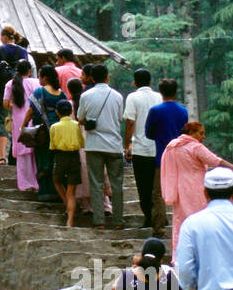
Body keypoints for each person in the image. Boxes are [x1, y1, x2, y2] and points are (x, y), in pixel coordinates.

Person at [160, 122, 233, 254]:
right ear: (192, 133)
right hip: (197, 188)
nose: (203, 137)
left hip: (180, 189)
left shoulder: (173, 146)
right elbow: (217, 161)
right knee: (201, 219)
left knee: (181, 221)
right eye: (201, 133)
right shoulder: (194, 147)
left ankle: (181, 254)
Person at [77, 64, 125, 228]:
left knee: (96, 183)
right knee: (116, 183)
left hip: (93, 144)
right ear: (107, 76)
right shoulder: (118, 96)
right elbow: (120, 119)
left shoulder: (85, 96)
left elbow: (80, 119)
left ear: (91, 78)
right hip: (114, 145)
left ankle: (99, 221)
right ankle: (118, 220)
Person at [145, 79, 188, 237]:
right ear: (175, 92)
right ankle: (183, 225)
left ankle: (159, 227)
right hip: (181, 156)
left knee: (158, 193)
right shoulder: (183, 111)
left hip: (162, 156)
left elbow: (148, 133)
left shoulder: (155, 110)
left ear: (160, 92)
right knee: (182, 191)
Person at [123, 68, 161, 230]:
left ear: (134, 83)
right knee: (157, 186)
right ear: (151, 82)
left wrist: (127, 145)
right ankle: (159, 216)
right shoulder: (159, 96)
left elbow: (130, 122)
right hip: (158, 148)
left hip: (140, 148)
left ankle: (148, 217)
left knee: (143, 186)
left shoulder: (133, 97)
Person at [21, 64, 64, 202]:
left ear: (45, 77)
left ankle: (45, 192)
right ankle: (57, 192)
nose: (38, 78)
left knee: (42, 160)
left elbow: (30, 111)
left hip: (42, 134)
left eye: (39, 75)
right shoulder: (61, 93)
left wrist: (23, 126)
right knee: (54, 161)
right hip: (58, 133)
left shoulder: (40, 92)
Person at [0, 26, 26, 164]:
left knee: (1, 122)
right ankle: (17, 155)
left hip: (1, 91)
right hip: (18, 90)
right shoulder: (23, 51)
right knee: (18, 121)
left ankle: (2, 157)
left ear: (4, 36)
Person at [3, 60, 39, 192]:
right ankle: (36, 182)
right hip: (33, 119)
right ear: (29, 71)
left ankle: (24, 183)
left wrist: (14, 105)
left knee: (22, 151)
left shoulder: (10, 84)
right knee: (34, 150)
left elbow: (5, 104)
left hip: (18, 119)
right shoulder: (36, 83)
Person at [50, 98, 84, 227]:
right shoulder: (76, 125)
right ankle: (70, 220)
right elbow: (81, 143)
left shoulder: (54, 127)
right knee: (71, 192)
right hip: (74, 157)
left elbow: (52, 145)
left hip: (60, 157)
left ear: (57, 113)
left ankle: (67, 206)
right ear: (71, 112)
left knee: (57, 181)